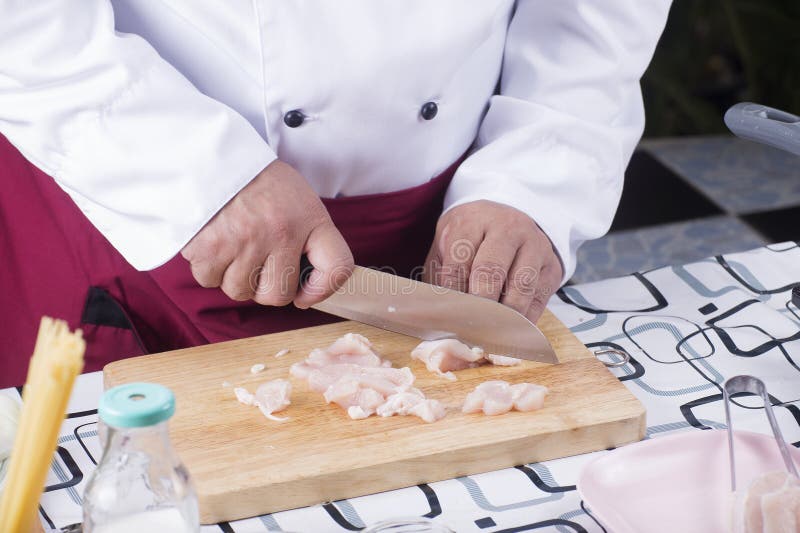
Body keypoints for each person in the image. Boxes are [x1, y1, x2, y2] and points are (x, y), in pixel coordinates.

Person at [0, 1, 671, 387]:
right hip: (135, 194)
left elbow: (599, 17)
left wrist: (533, 174)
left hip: (439, 225)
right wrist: (187, 168)